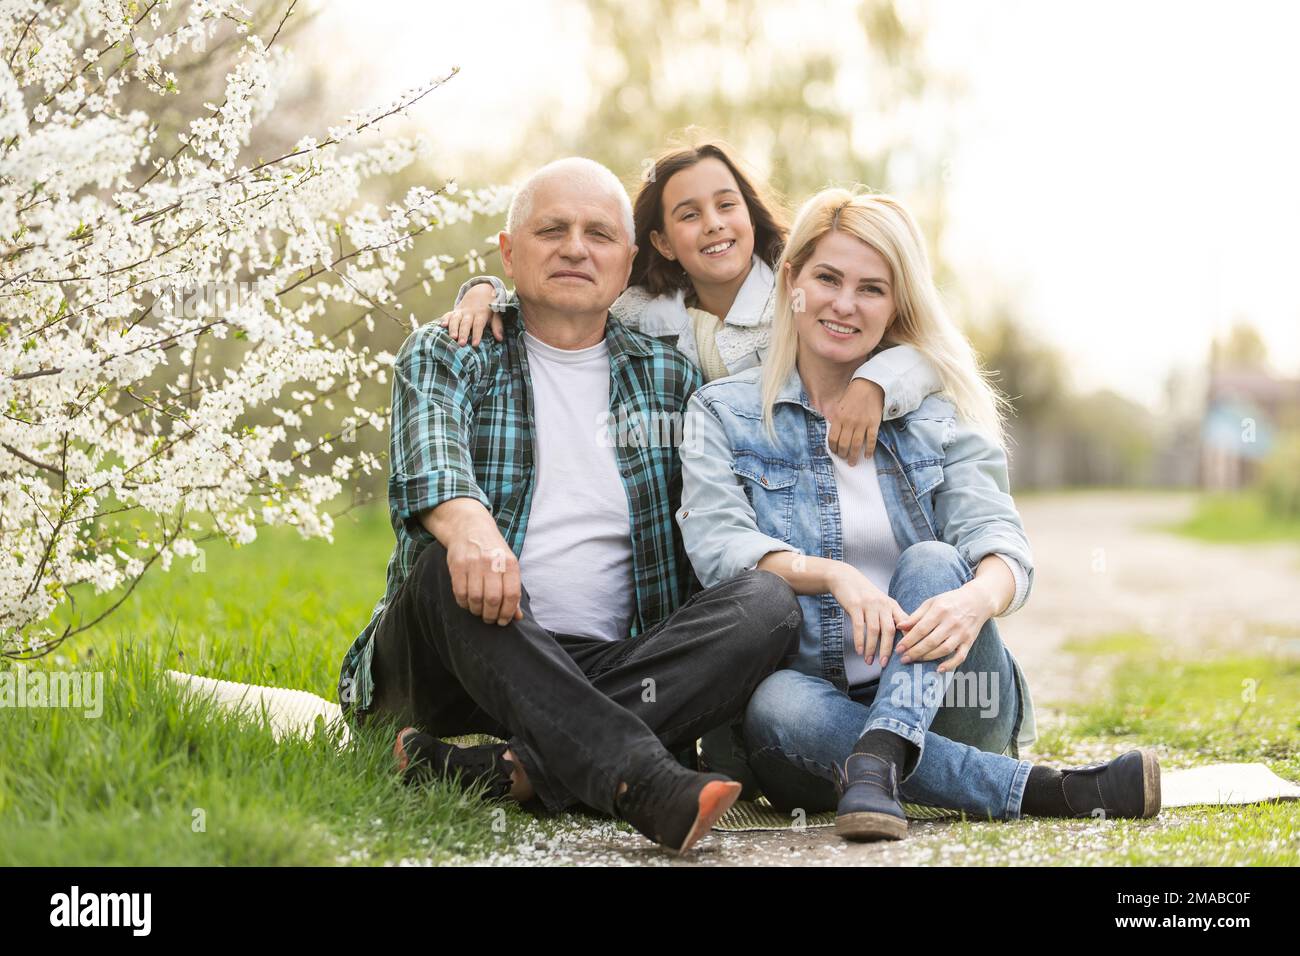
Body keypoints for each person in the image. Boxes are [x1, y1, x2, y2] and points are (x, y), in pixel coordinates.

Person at [335, 157, 803, 855]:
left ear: (628, 263)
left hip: (609, 666)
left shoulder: (668, 375)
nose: (575, 248)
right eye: (551, 230)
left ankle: (509, 771)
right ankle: (642, 778)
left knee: (767, 604)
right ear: (508, 251)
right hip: (455, 657)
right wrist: (472, 533)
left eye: (598, 234)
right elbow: (431, 460)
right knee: (443, 565)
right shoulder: (451, 350)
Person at [677, 186, 1161, 841]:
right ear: (791, 282)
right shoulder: (723, 413)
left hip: (954, 702)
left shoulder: (937, 415)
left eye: (871, 288)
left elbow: (1001, 542)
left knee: (936, 561)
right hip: (812, 719)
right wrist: (833, 575)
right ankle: (1051, 791)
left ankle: (878, 762)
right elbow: (717, 545)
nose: (845, 304)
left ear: (897, 304)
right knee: (776, 703)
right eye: (827, 278)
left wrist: (977, 600)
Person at [444, 141, 944, 465]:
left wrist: (874, 384)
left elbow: (924, 351)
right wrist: (483, 292)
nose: (713, 223)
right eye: (690, 215)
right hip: (706, 486)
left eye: (727, 205)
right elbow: (558, 293)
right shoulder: (641, 311)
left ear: (748, 216)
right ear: (661, 243)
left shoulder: (801, 296)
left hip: (809, 465)